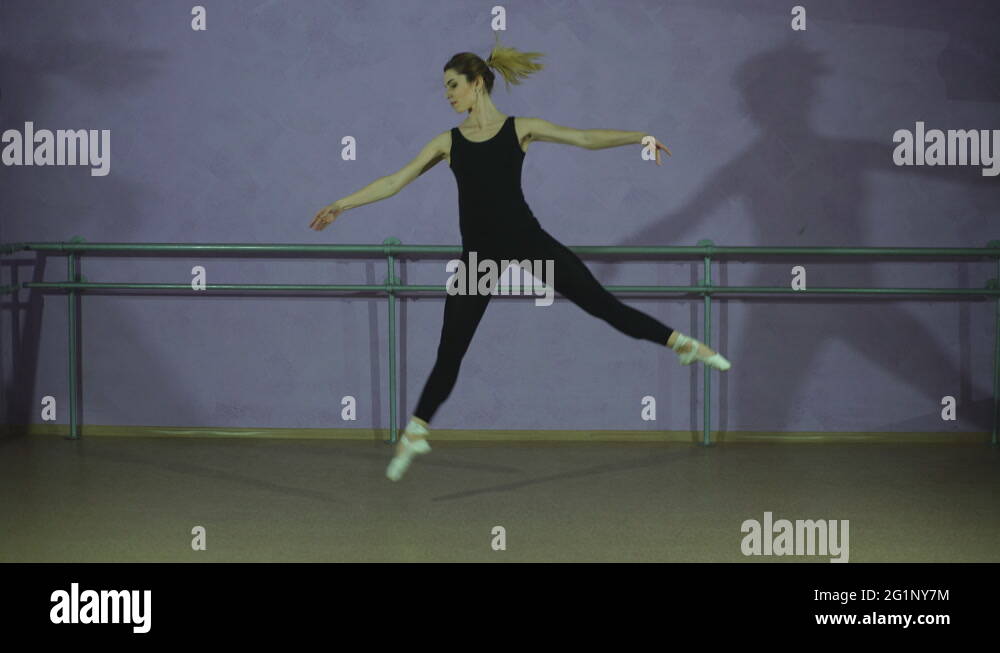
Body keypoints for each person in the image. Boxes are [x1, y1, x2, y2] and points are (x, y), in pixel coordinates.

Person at [309, 35, 731, 481]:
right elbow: (395, 181)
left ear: (476, 83)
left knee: (602, 305)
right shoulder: (448, 142)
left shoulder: (520, 128)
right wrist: (343, 203)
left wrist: (639, 137)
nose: (447, 95)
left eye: (453, 85)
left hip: (529, 243)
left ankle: (684, 345)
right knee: (450, 351)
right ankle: (416, 429)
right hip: (479, 260)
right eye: (445, 88)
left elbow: (584, 138)